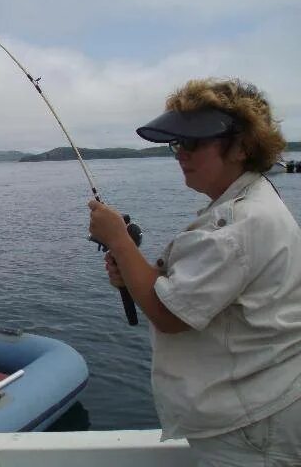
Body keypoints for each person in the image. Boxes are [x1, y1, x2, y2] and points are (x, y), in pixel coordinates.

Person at [88, 78, 301, 466]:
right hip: (254, 410)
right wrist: (134, 272)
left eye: (193, 142)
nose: (180, 154)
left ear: (242, 146)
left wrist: (119, 241)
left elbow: (170, 314)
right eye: (177, 143)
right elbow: (193, 290)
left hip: (250, 430)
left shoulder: (237, 225)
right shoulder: (249, 203)